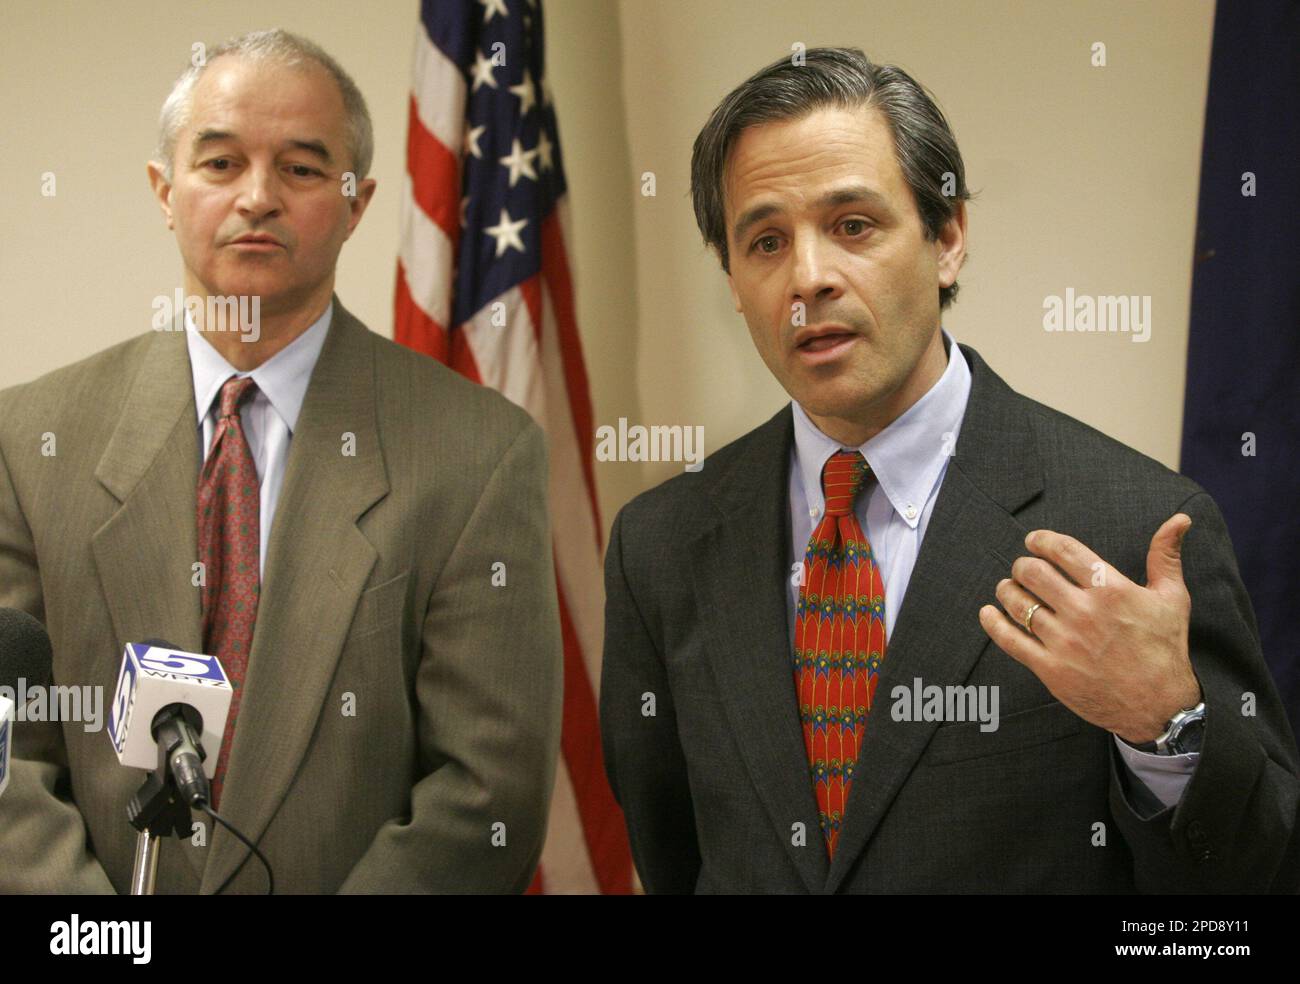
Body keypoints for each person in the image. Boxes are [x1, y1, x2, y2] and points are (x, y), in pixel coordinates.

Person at [600, 47, 1300, 893]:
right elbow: (672, 851)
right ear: (734, 279)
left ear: (948, 237)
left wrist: (1166, 728)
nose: (808, 278)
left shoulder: (1135, 528)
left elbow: (1252, 884)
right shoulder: (660, 545)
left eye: (852, 226)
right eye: (766, 241)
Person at [0, 29, 562, 893]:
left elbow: (489, 792)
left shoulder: (480, 452)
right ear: (164, 191)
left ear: (357, 203)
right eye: (219, 164)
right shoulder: (29, 439)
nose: (257, 198)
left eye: (301, 170)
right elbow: (11, 763)